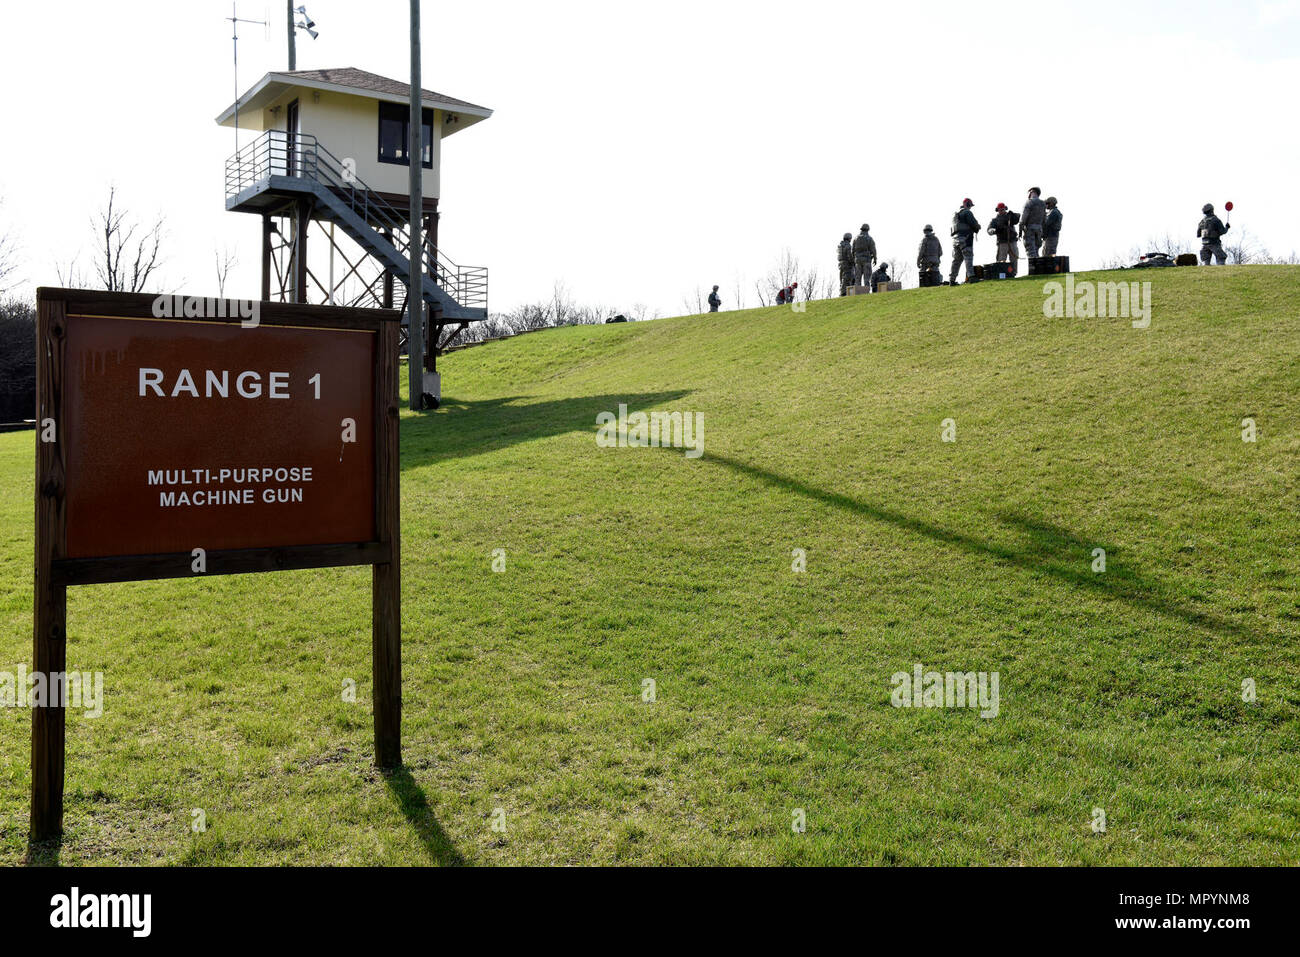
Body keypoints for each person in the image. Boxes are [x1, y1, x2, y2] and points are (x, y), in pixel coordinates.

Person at [949, 199, 981, 285]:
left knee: (957, 260)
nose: (970, 207)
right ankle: (971, 277)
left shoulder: (956, 215)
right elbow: (974, 224)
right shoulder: (967, 213)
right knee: (968, 257)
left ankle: (952, 280)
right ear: (967, 204)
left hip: (956, 240)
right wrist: (978, 227)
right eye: (970, 205)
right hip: (965, 239)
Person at [987, 202, 1021, 274]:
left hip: (1012, 241)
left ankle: (1014, 273)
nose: (1002, 211)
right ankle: (1001, 274)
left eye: (1003, 209)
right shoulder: (995, 220)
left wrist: (1013, 215)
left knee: (1014, 259)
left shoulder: (1009, 217)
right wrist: (994, 230)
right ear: (997, 210)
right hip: (1002, 243)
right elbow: (989, 230)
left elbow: (1018, 218)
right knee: (1001, 260)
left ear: (1005, 209)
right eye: (1000, 210)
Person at [1020, 187, 1047, 258]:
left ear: (1031, 192)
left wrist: (1020, 229)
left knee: (1031, 252)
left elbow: (1023, 218)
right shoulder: (1043, 204)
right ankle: (1039, 267)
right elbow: (1044, 219)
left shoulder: (1029, 202)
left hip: (1030, 229)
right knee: (1036, 250)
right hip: (1039, 229)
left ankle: (1034, 268)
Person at [852, 224, 877, 289]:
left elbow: (853, 250)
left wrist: (854, 259)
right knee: (867, 278)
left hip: (857, 260)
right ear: (868, 229)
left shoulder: (856, 238)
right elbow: (873, 249)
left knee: (858, 278)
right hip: (866, 260)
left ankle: (857, 292)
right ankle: (866, 291)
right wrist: (875, 258)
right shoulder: (869, 238)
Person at [837, 232, 854, 296]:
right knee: (847, 279)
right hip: (847, 264)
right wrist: (853, 262)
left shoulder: (840, 245)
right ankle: (843, 293)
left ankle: (842, 291)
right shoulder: (848, 246)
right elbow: (849, 256)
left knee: (842, 279)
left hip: (841, 264)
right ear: (849, 238)